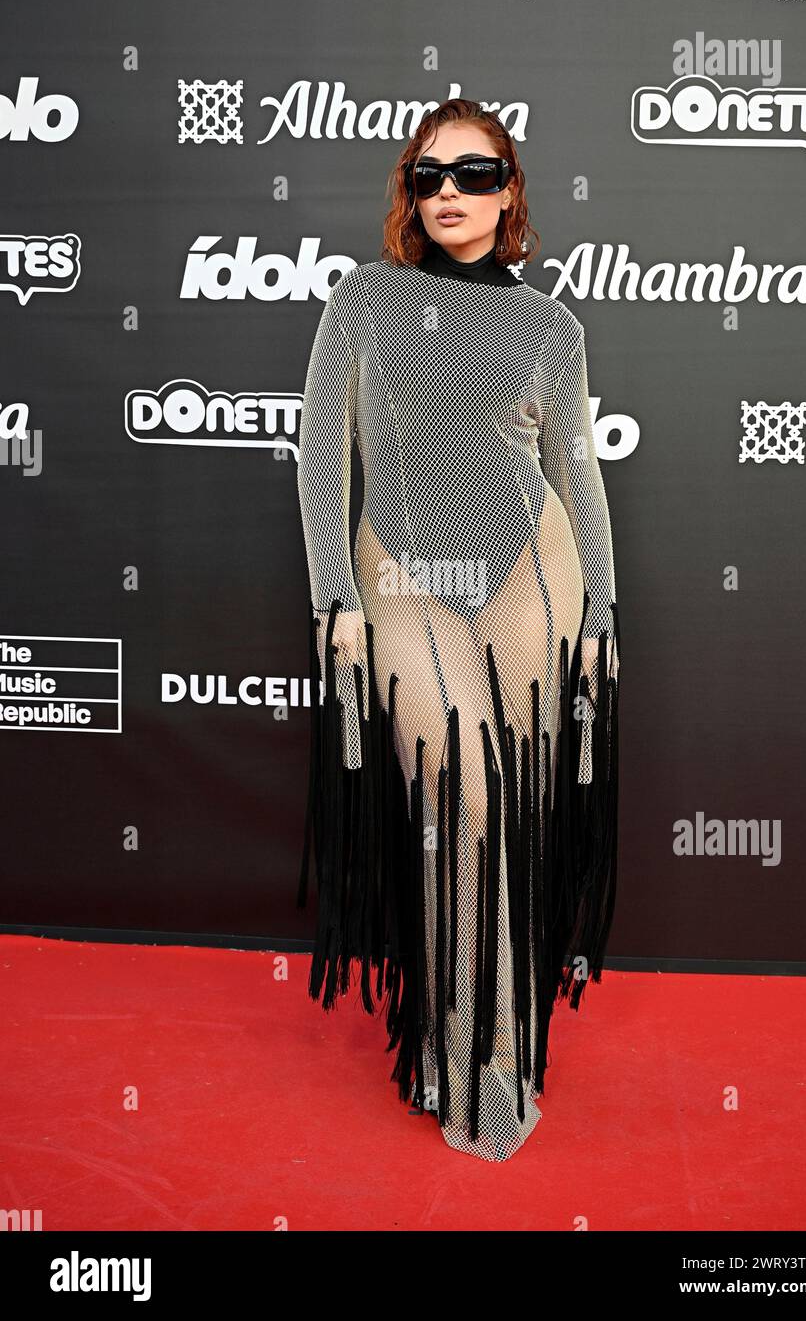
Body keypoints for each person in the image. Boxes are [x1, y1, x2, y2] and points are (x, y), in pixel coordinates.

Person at [296, 98, 620, 1162]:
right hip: (405, 578)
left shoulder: (553, 329)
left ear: (510, 189)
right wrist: (334, 595)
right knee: (463, 793)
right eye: (429, 175)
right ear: (410, 192)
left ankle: (499, 1053)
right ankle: (449, 1037)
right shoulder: (364, 303)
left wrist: (603, 612)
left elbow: (577, 471)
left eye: (474, 174)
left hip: (534, 571)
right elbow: (319, 455)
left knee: (514, 820)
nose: (449, 193)